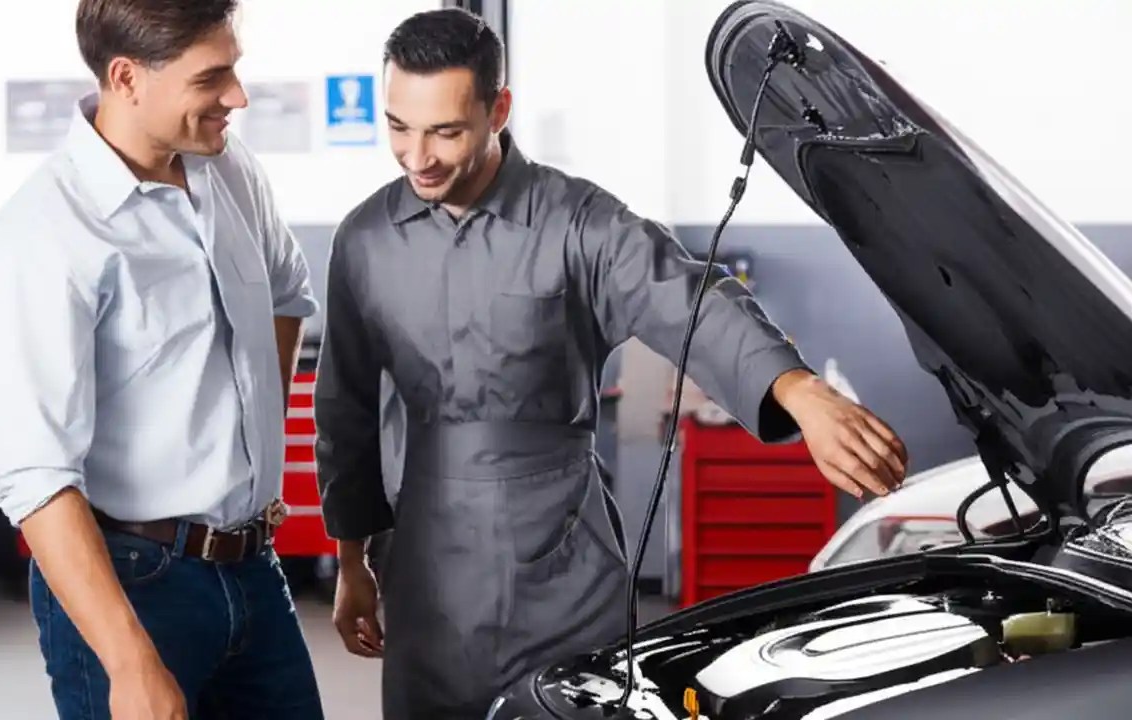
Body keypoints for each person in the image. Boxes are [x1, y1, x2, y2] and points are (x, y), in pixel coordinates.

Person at [313, 7, 910, 719]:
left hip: (561, 561)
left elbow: (688, 298)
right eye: (398, 127)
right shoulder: (365, 241)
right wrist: (351, 561)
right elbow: (345, 411)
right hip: (424, 562)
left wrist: (799, 390)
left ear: (498, 110)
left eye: (445, 131)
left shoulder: (578, 222)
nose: (418, 157)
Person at [0, 1, 324, 718]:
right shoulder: (39, 239)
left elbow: (286, 295)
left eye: (235, 70)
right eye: (210, 78)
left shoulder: (230, 170)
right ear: (127, 78)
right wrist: (129, 662)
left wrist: (257, 461)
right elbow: (34, 476)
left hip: (254, 568)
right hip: (134, 584)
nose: (238, 97)